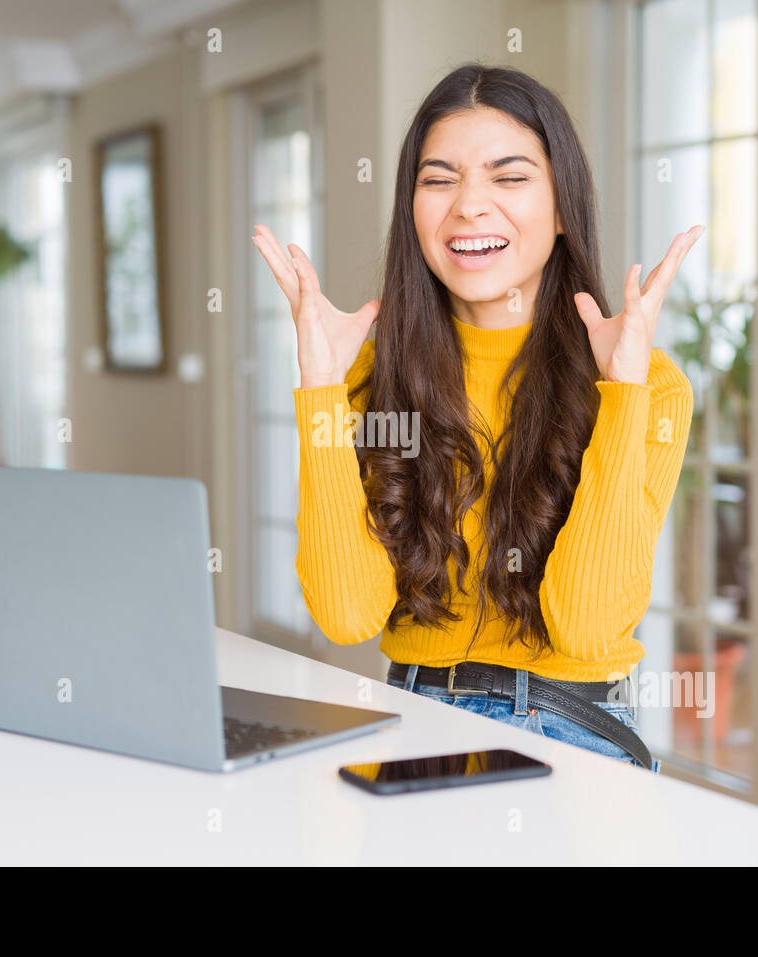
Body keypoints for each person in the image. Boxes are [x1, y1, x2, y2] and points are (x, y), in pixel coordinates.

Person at [252, 63, 700, 772]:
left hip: (565, 722)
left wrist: (621, 394)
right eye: (439, 179)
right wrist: (320, 390)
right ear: (413, 210)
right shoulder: (371, 379)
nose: (470, 206)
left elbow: (585, 626)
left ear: (561, 207)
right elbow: (346, 615)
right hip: (408, 717)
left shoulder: (651, 388)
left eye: (509, 176)